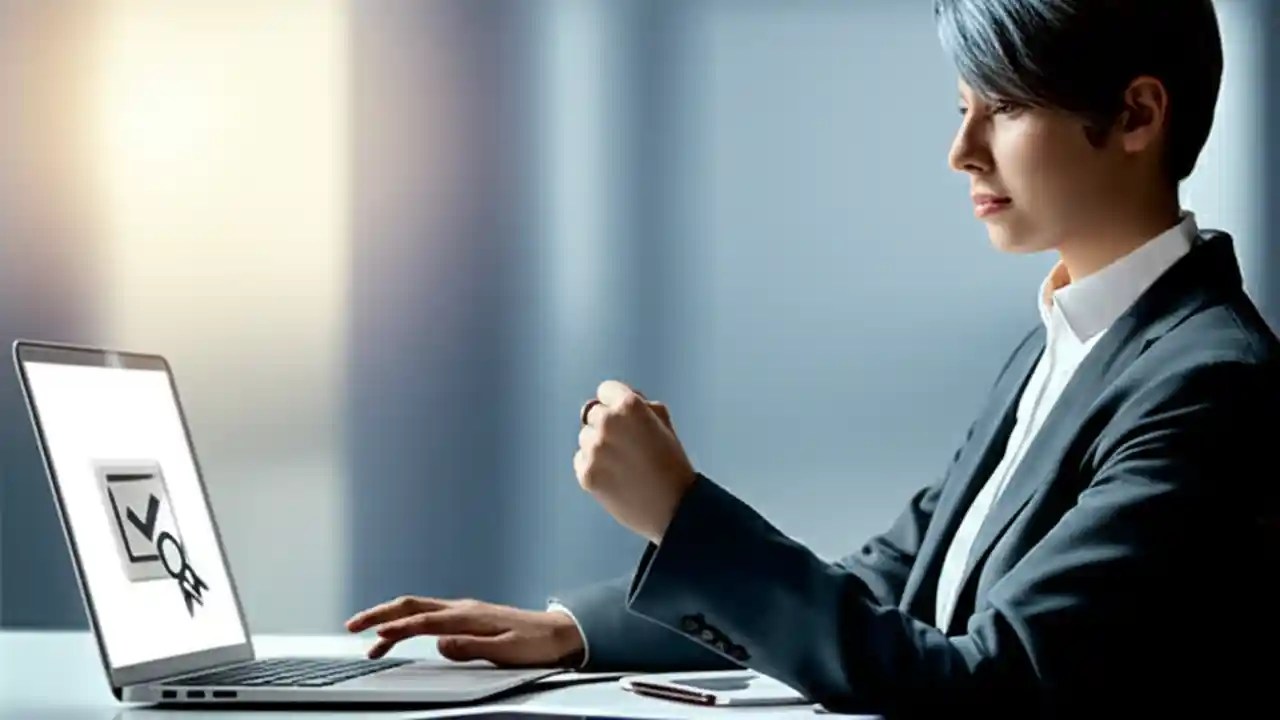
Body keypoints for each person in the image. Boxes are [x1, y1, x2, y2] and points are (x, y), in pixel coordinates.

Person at [346, 0, 1280, 715]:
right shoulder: (1075, 342)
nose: (961, 151)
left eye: (1002, 107)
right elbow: (886, 586)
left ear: (1136, 115)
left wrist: (680, 514)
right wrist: (573, 631)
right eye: (963, 109)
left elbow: (989, 681)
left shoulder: (1206, 381)